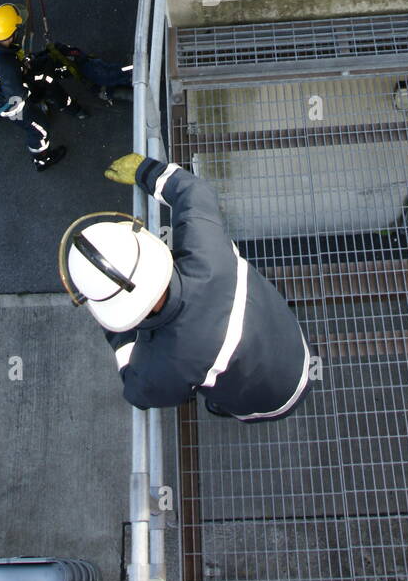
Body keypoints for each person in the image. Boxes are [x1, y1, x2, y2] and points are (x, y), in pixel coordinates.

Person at [60, 154, 315, 420]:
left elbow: (138, 392)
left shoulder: (164, 364)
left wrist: (118, 332)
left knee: (216, 394)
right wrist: (145, 171)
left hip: (270, 404)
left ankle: (221, 406)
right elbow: (193, 191)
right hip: (296, 345)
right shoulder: (204, 248)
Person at [0, 3, 87, 171]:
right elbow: (17, 96)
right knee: (40, 128)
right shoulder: (7, 66)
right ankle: (42, 160)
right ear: (10, 35)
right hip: (9, 104)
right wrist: (35, 89)